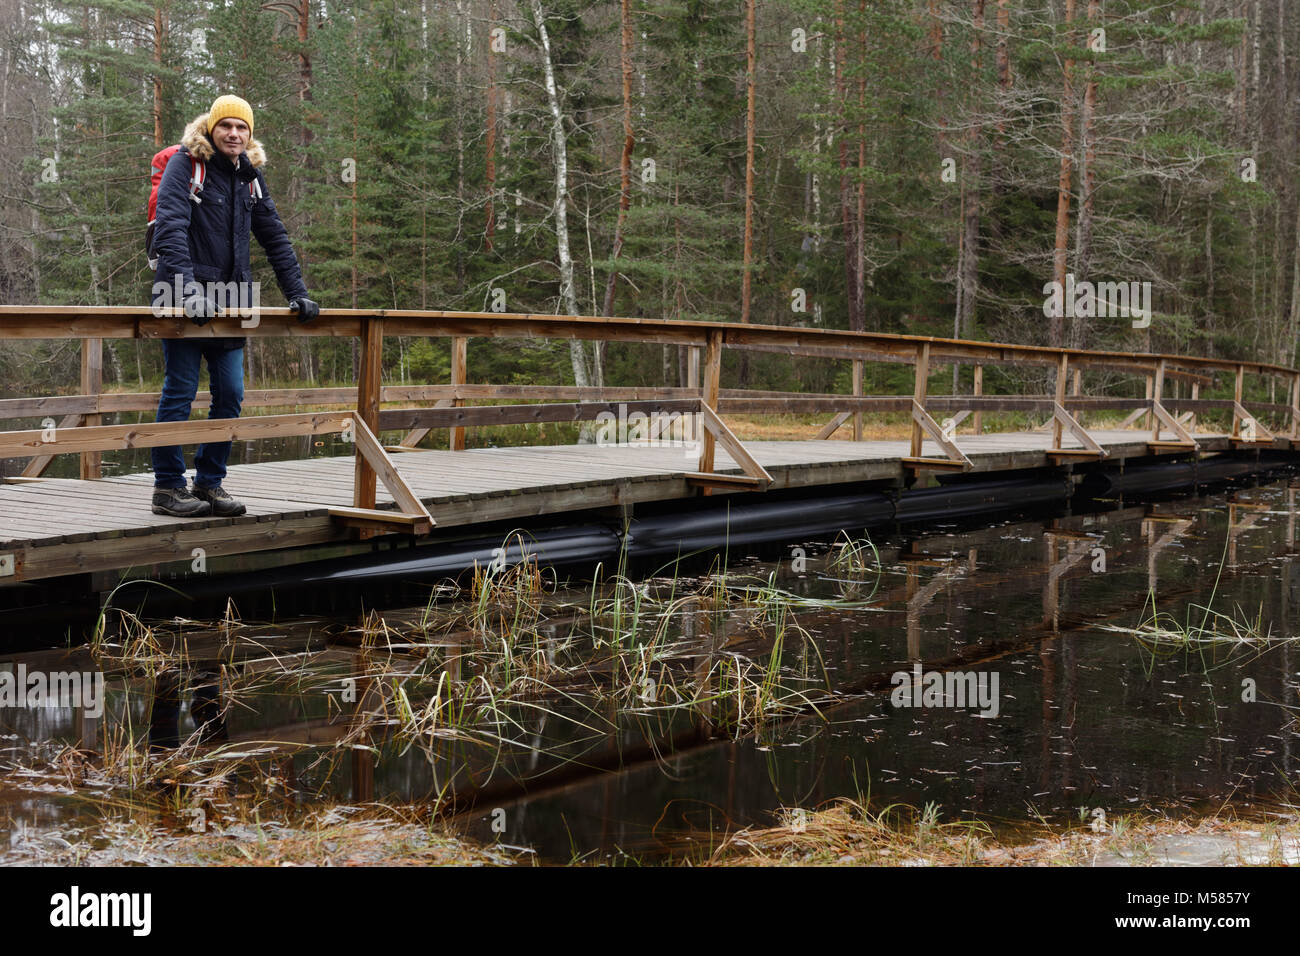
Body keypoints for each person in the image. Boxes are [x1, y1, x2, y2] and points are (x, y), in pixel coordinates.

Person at [150, 94, 319, 518]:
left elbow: (274, 237)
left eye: (242, 127)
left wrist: (296, 291)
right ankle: (168, 488)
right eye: (226, 125)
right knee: (180, 391)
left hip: (233, 298)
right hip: (180, 293)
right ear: (211, 128)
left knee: (231, 393)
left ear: (250, 134)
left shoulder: (251, 177)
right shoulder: (186, 165)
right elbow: (170, 228)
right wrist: (188, 290)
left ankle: (209, 483)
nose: (234, 133)